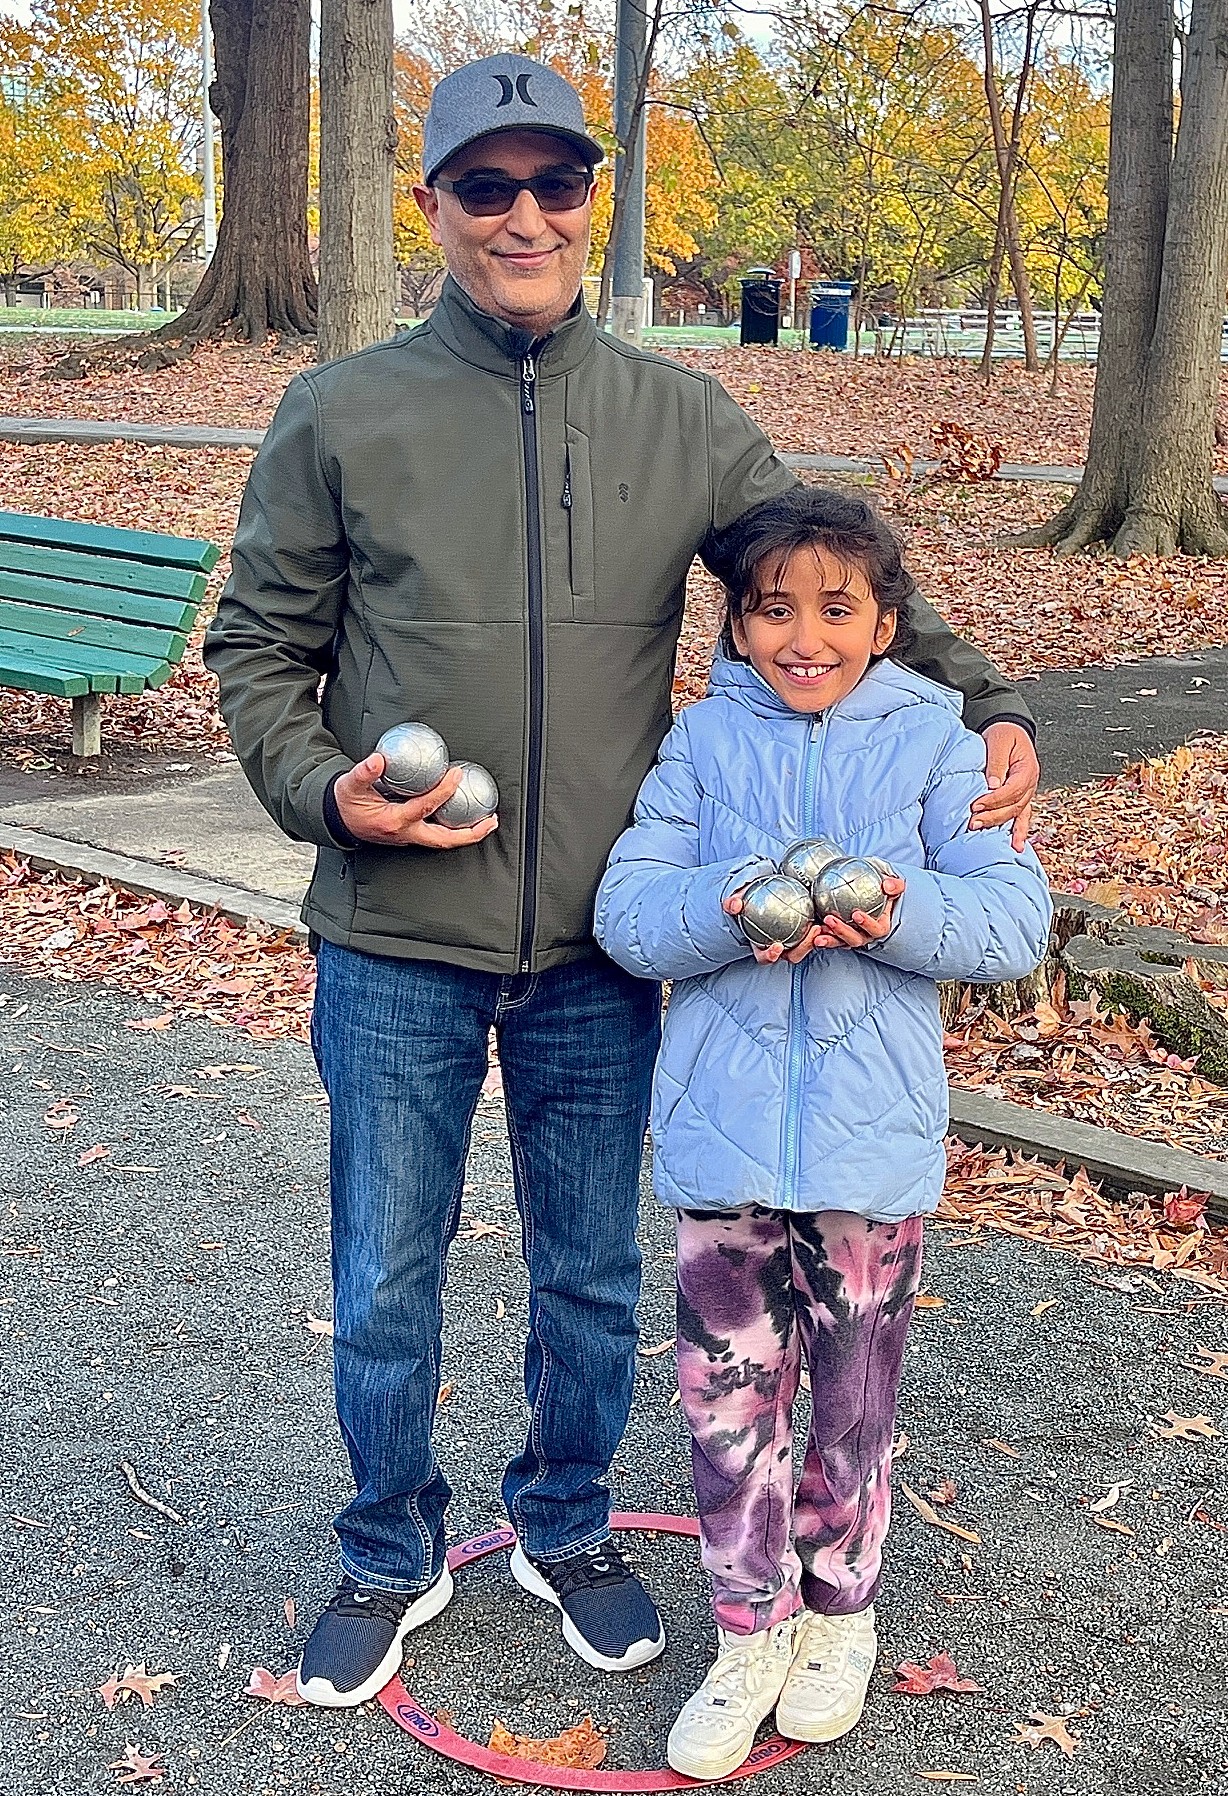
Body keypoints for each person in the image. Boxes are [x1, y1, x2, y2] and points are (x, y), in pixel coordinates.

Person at [203, 52, 1042, 1709]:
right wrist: (325, 797)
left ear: (592, 201)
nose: (524, 216)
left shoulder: (682, 419)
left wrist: (991, 695)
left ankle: (566, 1524)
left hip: (604, 943)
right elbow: (257, 653)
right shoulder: (341, 414)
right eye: (486, 186)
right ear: (431, 205)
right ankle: (386, 1545)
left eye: (556, 183)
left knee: (589, 1274)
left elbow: (841, 567)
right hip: (394, 938)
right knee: (385, 1271)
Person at [594, 487, 1051, 1781]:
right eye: (773, 611)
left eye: (836, 610)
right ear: (737, 628)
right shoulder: (701, 744)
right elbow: (630, 913)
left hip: (868, 1152)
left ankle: (839, 1618)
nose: (805, 637)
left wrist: (897, 916)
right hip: (722, 1146)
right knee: (727, 1407)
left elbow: (1013, 922)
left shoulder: (939, 747)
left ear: (885, 623)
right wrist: (731, 907)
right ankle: (749, 1633)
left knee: (850, 1407)